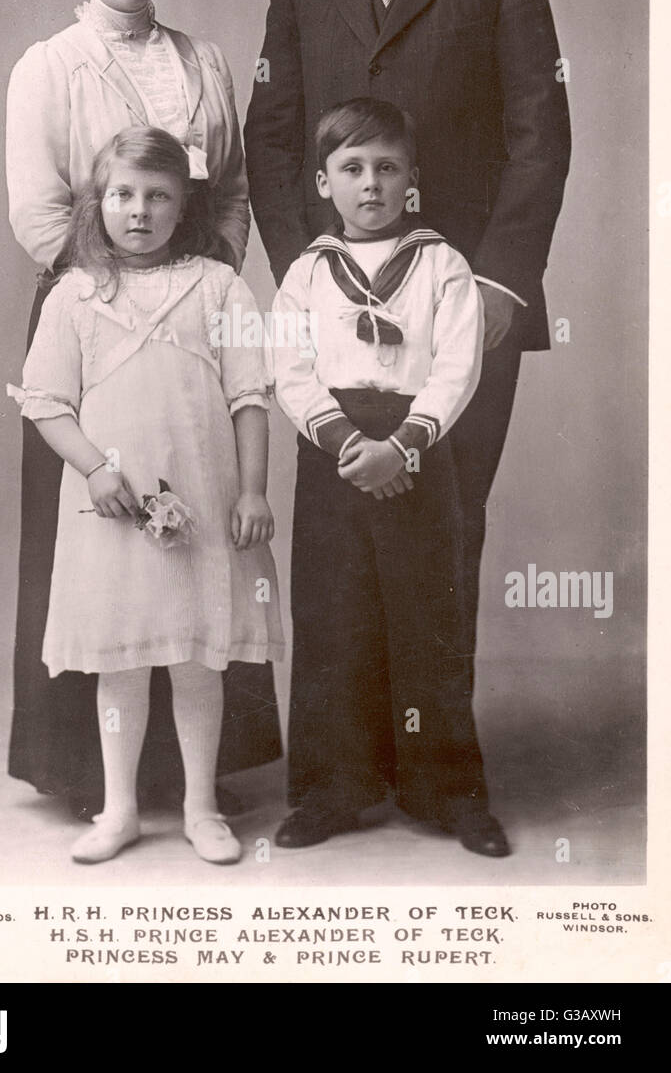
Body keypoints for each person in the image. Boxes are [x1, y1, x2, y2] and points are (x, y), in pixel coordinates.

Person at [245, 0, 571, 853]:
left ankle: (439, 779)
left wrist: (496, 285)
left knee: (440, 545)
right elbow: (273, 140)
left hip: (461, 311)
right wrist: (320, 285)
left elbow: (539, 137)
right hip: (331, 326)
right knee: (335, 557)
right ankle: (335, 777)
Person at [6, 0, 281, 820]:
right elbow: (38, 209)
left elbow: (234, 189)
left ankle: (202, 788)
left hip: (196, 312)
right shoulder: (49, 65)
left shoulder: (202, 60)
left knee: (200, 528)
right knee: (110, 544)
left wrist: (205, 277)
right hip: (91, 309)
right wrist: (114, 283)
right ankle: (99, 782)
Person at [8, 126, 283, 863]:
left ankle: (201, 806)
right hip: (116, 509)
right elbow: (45, 403)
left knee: (201, 655)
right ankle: (120, 808)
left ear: (183, 205)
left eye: (158, 196)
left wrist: (252, 491)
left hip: (203, 501)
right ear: (98, 203)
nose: (138, 211)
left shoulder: (218, 286)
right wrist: (96, 468)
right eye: (123, 195)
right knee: (119, 658)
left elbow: (249, 397)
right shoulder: (74, 295)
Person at [270, 98, 507, 856]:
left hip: (416, 456)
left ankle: (446, 790)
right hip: (334, 455)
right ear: (322, 182)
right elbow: (289, 370)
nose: (368, 184)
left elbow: (456, 368)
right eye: (350, 169)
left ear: (412, 180)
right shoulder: (307, 274)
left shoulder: (443, 265)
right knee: (335, 619)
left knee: (427, 621)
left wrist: (400, 447)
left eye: (385, 168)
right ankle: (333, 788)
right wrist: (348, 444)